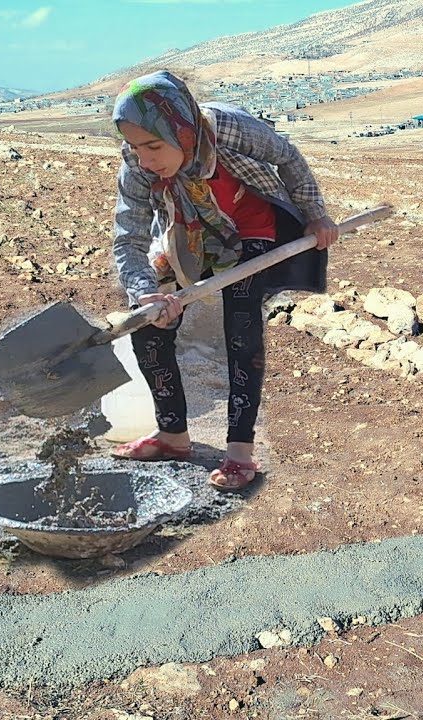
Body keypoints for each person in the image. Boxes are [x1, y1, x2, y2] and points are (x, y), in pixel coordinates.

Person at [109, 70, 339, 491]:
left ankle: (239, 453)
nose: (145, 159)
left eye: (154, 146)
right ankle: (173, 437)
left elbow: (287, 158)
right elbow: (129, 236)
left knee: (241, 323)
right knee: (147, 323)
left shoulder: (226, 128)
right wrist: (145, 292)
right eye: (136, 147)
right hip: (187, 229)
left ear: (182, 129)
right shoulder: (137, 166)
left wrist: (314, 214)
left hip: (249, 226)